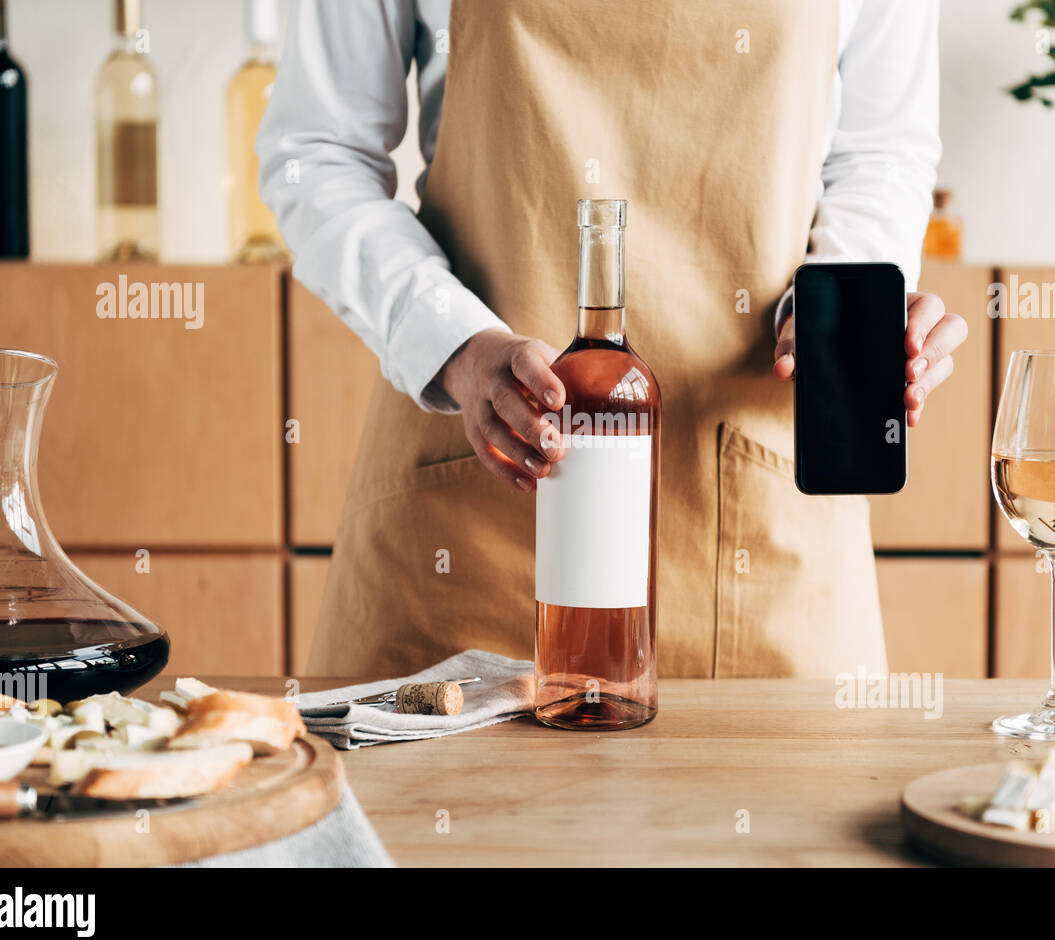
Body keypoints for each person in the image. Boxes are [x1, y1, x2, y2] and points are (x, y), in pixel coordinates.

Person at [258, 0, 969, 678]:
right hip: (473, 536)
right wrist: (459, 349)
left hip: (761, 541)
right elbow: (317, 150)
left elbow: (882, 154)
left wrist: (836, 312)